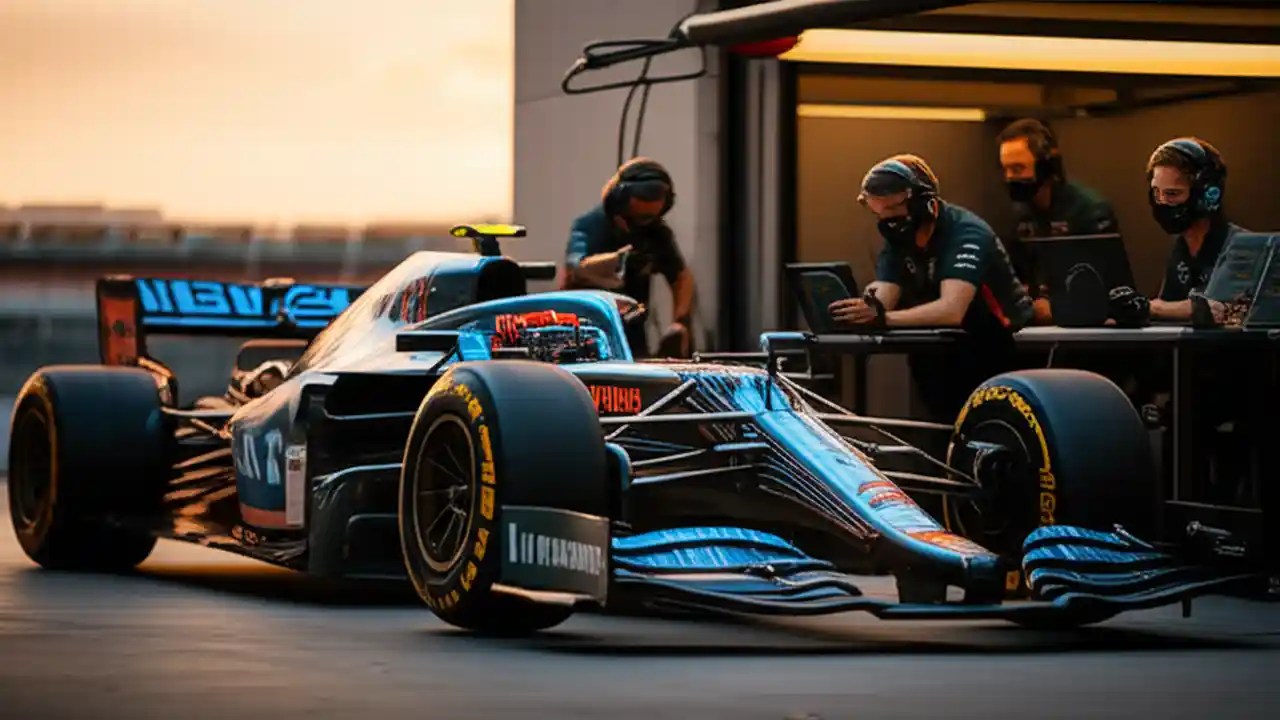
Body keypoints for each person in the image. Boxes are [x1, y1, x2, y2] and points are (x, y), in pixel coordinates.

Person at [829, 154, 1034, 419]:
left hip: (999, 352)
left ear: (924, 204)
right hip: (940, 354)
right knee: (938, 434)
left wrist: (883, 318)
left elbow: (951, 310)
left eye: (894, 210)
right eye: (879, 212)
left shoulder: (967, 232)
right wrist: (867, 308)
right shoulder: (900, 238)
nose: (888, 220)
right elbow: (887, 289)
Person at [561, 158, 696, 358]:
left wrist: (680, 322)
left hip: (633, 336)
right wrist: (618, 262)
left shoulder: (655, 232)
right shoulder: (590, 226)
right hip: (586, 335)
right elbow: (575, 268)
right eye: (637, 219)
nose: (643, 226)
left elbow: (681, 277)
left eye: (650, 218)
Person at [997, 118, 1120, 324]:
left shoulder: (1089, 210)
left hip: (1086, 334)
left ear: (1046, 166)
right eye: (1005, 169)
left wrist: (1055, 307)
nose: (1010, 177)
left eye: (1018, 169)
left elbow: (1110, 290)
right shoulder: (1018, 216)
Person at [1145, 136, 1247, 322]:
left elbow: (1222, 311)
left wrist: (1151, 308)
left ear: (1208, 194)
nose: (1162, 203)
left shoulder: (1242, 248)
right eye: (1156, 193)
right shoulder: (1180, 249)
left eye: (1172, 194)